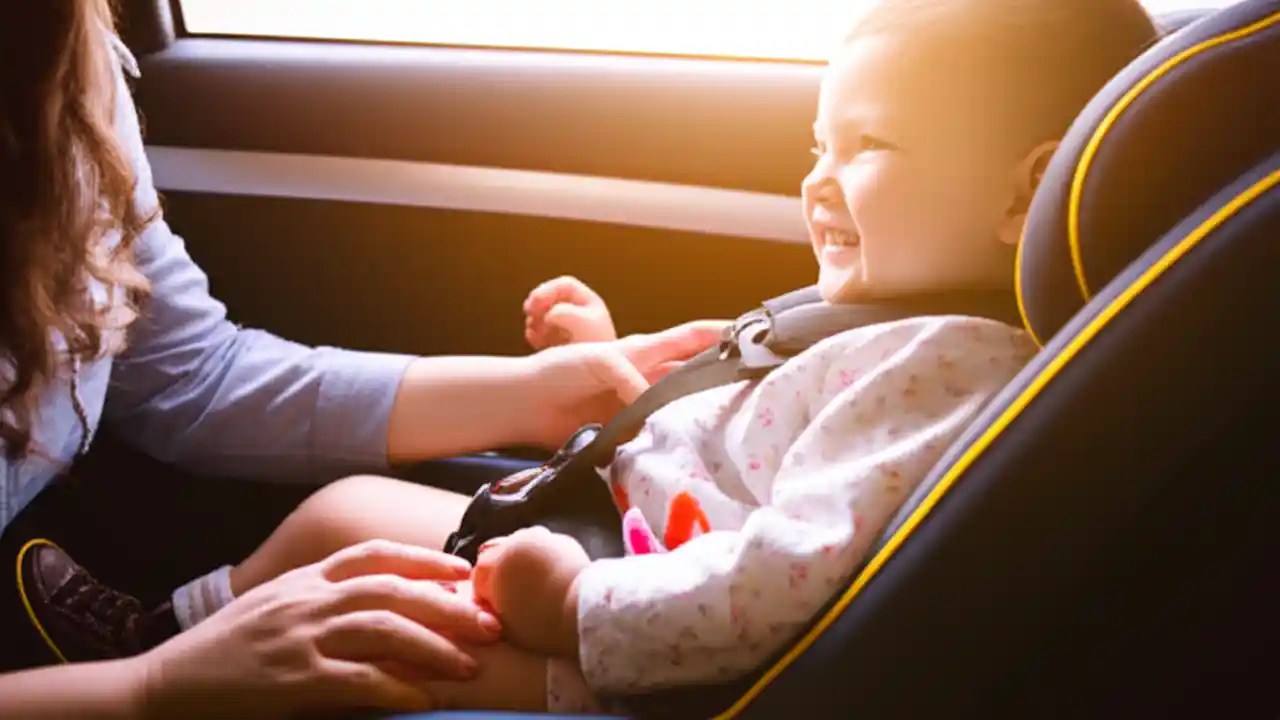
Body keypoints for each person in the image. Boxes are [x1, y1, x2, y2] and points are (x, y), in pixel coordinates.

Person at [16, 0, 1162, 714]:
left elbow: (782, 574)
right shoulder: (887, 328)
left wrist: (577, 607)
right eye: (816, 144)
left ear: (1026, 190)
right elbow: (746, 431)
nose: (815, 180)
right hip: (631, 536)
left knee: (369, 632)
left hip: (634, 624)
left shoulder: (942, 372)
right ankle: (165, 631)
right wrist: (613, 384)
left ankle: (181, 651)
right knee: (344, 514)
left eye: (866, 148)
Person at [0, 0, 721, 717]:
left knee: (352, 524)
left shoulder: (70, 61)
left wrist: (536, 394)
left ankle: (152, 632)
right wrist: (150, 688)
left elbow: (192, 377)